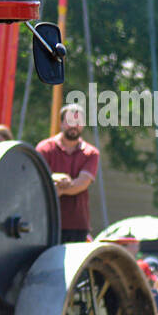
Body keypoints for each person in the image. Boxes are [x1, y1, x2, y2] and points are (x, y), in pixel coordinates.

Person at [36, 104, 100, 243]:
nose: (74, 126)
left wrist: (56, 188)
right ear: (61, 123)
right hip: (47, 221)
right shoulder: (45, 148)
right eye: (70, 121)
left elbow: (82, 184)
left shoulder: (90, 153)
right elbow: (38, 178)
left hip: (77, 224)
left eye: (78, 122)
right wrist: (58, 178)